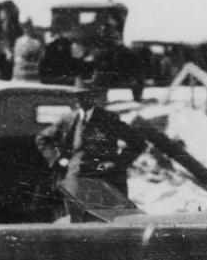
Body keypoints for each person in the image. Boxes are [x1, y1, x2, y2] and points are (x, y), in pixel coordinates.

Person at [36, 77, 150, 205]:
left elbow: (138, 142)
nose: (80, 99)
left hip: (105, 179)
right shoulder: (68, 119)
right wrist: (58, 158)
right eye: (77, 96)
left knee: (107, 217)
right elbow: (42, 138)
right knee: (76, 217)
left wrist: (117, 164)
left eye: (85, 95)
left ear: (93, 97)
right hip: (76, 178)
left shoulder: (108, 119)